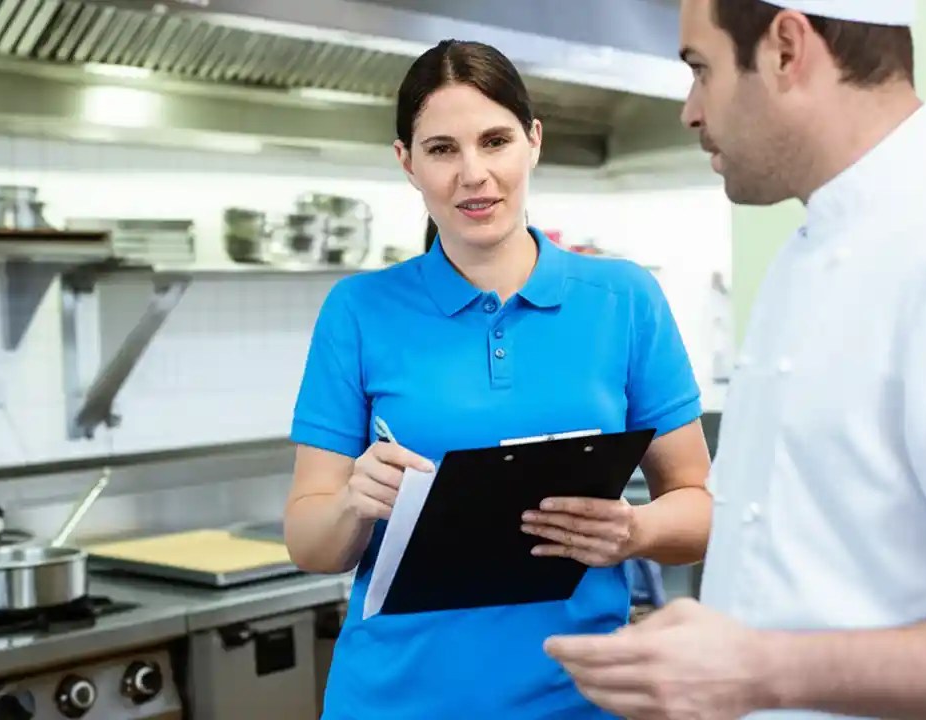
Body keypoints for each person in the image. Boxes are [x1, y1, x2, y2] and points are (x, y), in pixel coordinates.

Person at [545, 1, 926, 719]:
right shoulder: (804, 254)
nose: (690, 110)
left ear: (787, 48)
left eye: (701, 69)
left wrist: (759, 671)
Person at [283, 39, 715, 719]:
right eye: (442, 149)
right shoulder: (358, 312)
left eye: (495, 141)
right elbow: (309, 542)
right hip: (390, 702)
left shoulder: (624, 298)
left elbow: (697, 503)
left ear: (533, 142)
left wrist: (632, 531)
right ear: (407, 162)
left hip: (580, 701)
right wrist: (350, 503)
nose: (474, 174)